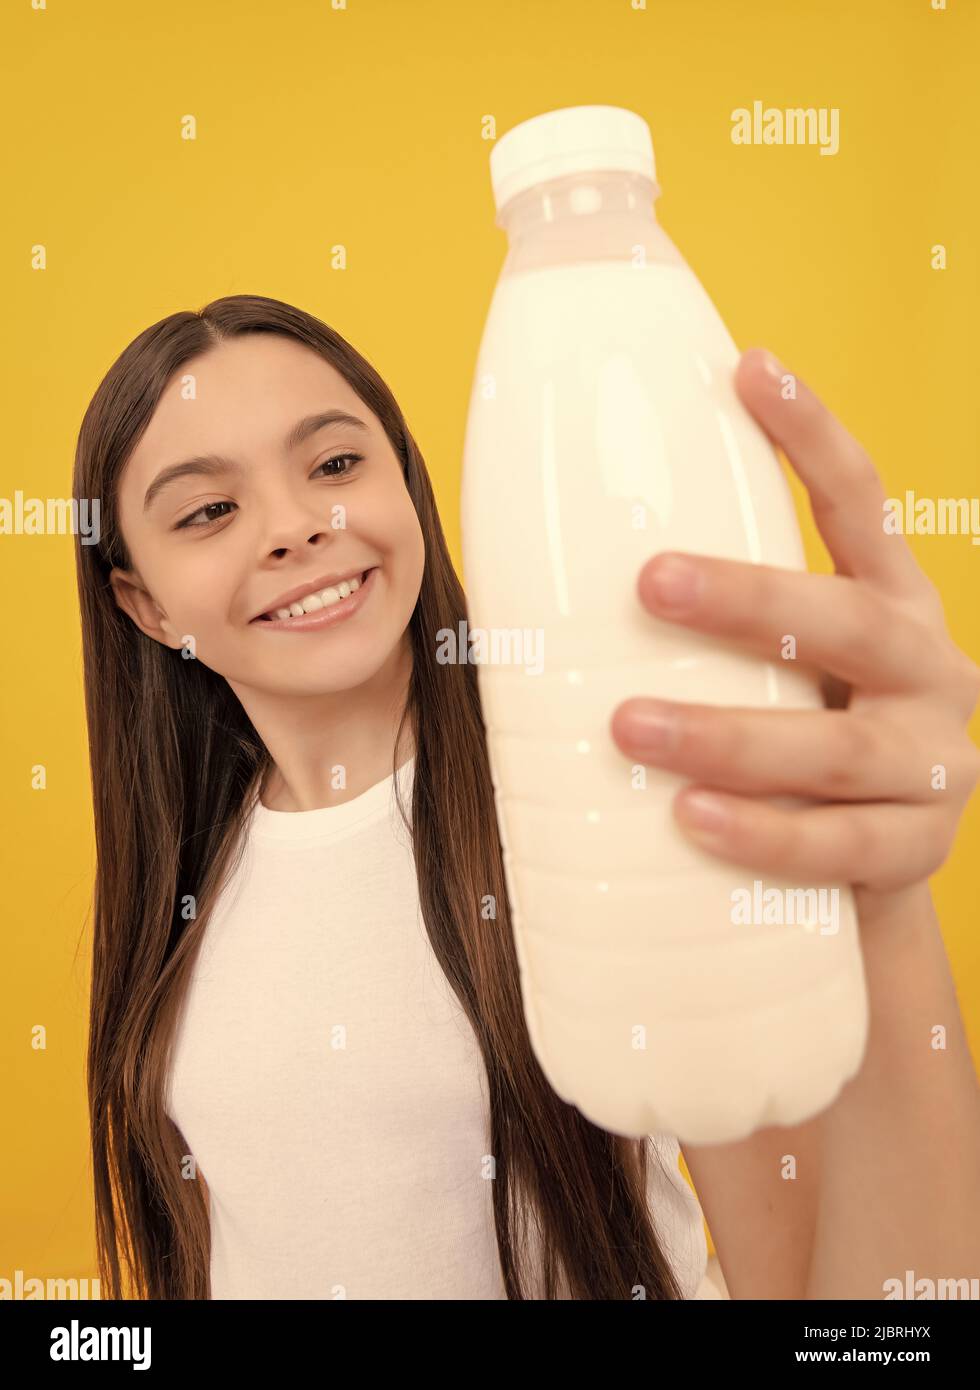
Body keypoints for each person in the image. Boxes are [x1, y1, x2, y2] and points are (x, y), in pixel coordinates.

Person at [73, 294, 980, 1300]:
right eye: (208, 511)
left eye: (334, 464)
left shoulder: (596, 806)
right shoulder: (188, 874)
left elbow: (832, 1311)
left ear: (406, 484)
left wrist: (883, 907)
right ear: (146, 606)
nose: (295, 526)